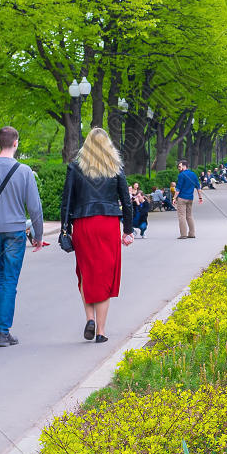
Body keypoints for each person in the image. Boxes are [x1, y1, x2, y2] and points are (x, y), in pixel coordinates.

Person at [0, 125, 45, 347]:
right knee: (10, 279)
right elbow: (35, 208)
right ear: (16, 143)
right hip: (15, 231)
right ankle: (4, 332)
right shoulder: (24, 171)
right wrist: (38, 235)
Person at [61, 127, 134, 344]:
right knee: (105, 276)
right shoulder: (115, 168)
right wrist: (128, 230)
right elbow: (127, 201)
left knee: (86, 272)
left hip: (83, 224)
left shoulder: (75, 168)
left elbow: (67, 201)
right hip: (108, 224)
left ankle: (90, 319)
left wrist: (65, 229)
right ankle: (101, 331)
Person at [175, 159, 200, 239]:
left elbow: (178, 189)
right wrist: (200, 197)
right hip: (190, 198)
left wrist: (174, 198)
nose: (178, 168)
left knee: (181, 216)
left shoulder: (181, 175)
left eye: (179, 166)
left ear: (184, 166)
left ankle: (183, 234)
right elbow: (198, 187)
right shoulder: (193, 174)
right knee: (189, 216)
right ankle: (192, 233)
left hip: (182, 198)